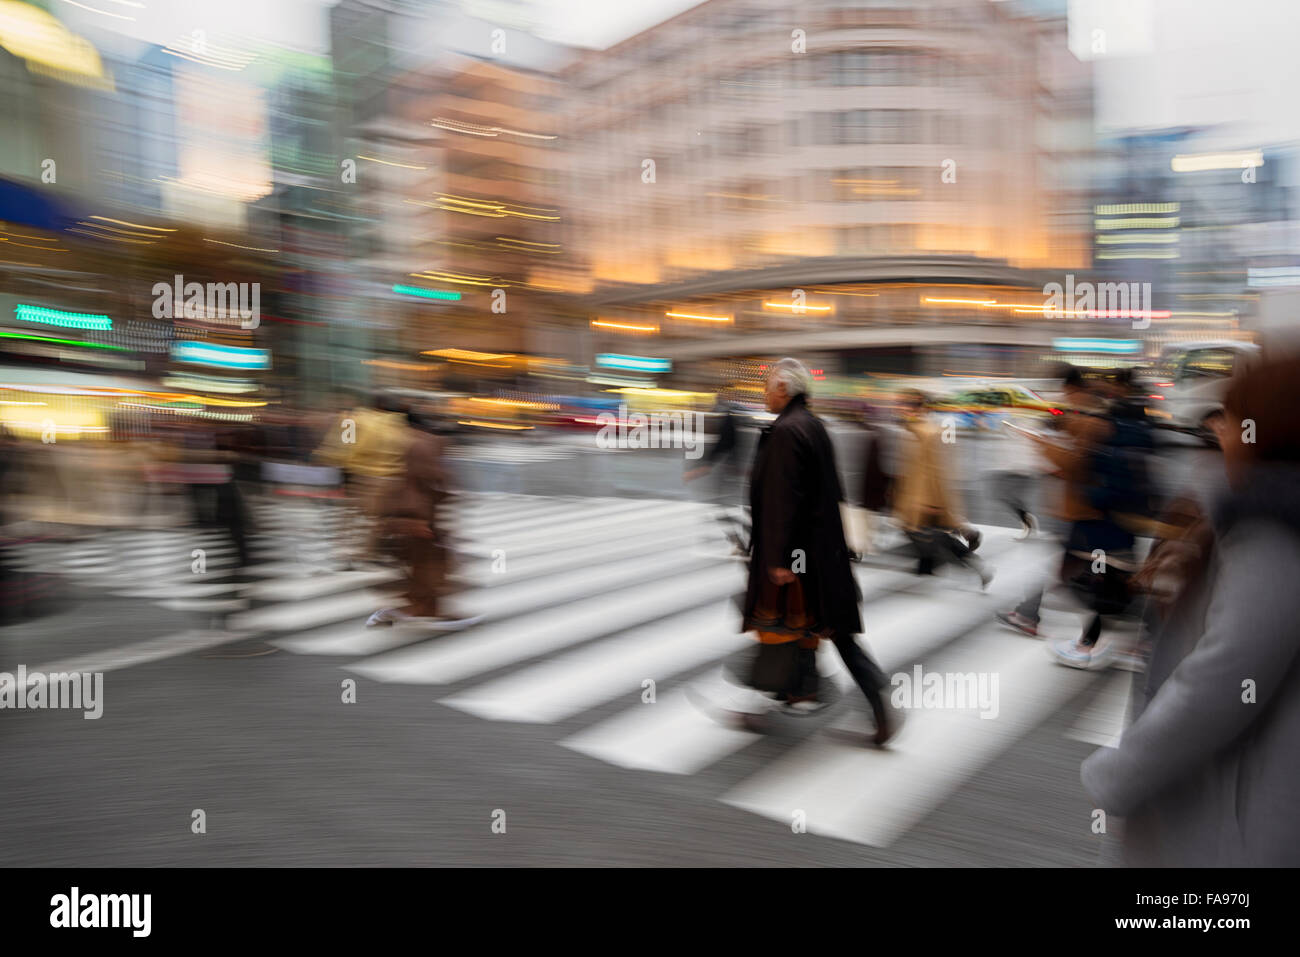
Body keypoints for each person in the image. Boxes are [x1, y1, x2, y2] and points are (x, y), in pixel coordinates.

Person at [1081, 353, 1300, 866]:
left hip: (1235, 818)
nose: (1220, 428)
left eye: (1233, 415)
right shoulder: (1254, 513)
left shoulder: (1271, 530)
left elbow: (1226, 678)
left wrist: (1121, 774)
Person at [740, 357, 899, 745]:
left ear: (782, 389)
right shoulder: (812, 425)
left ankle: (868, 699)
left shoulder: (787, 431)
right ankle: (793, 694)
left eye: (766, 386)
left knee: (794, 624)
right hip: (820, 550)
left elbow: (783, 500)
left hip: (799, 555)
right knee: (813, 627)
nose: (763, 393)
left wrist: (779, 560)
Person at [996, 368, 1131, 665]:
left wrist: (1040, 443)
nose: (1064, 398)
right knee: (1079, 574)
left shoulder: (1092, 421)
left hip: (1088, 512)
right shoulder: (1091, 415)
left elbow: (1075, 462)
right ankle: (1041, 620)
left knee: (1083, 577)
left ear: (1073, 389)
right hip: (1085, 511)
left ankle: (1087, 642)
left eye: (1065, 392)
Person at [366, 407, 480, 630]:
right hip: (418, 516)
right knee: (430, 566)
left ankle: (418, 610)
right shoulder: (422, 444)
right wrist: (420, 518)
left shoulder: (409, 442)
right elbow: (431, 482)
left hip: (413, 515)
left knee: (426, 566)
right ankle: (411, 611)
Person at [891, 389, 993, 587]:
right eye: (904, 405)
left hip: (924, 498)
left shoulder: (929, 432)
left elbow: (936, 471)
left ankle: (976, 565)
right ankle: (927, 569)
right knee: (921, 534)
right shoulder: (913, 430)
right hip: (913, 496)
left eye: (910, 406)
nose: (904, 410)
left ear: (922, 408)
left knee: (932, 536)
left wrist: (934, 503)